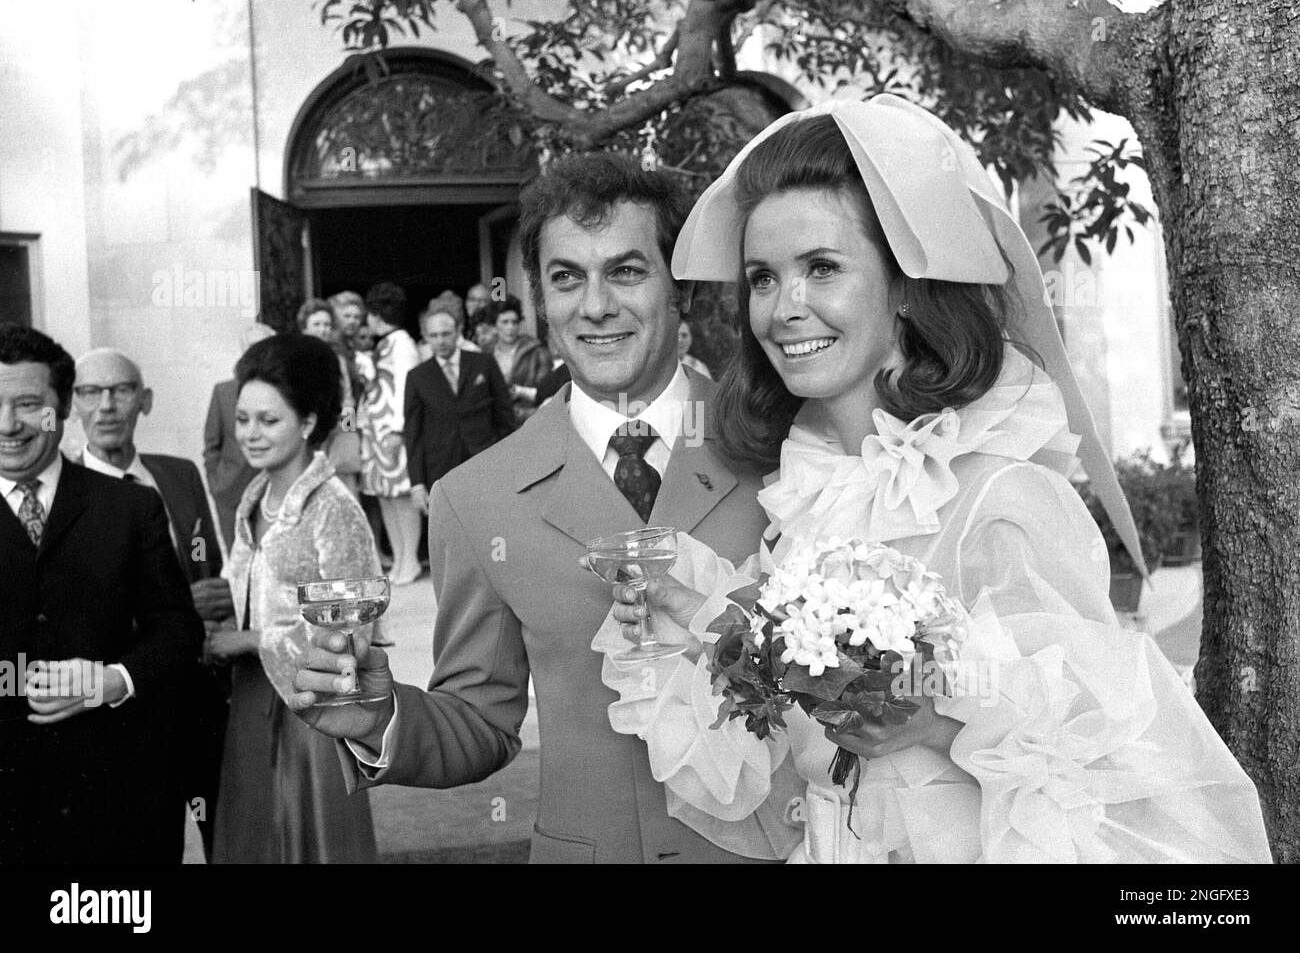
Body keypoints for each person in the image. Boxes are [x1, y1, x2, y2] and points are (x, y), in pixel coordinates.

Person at [595, 96, 1273, 864]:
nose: (785, 308)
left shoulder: (1001, 497)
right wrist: (689, 610)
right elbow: (794, 722)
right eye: (761, 277)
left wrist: (934, 723)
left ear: (910, 285)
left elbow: (1100, 765)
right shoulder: (809, 494)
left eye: (822, 267)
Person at [289, 153, 774, 864]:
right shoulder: (474, 498)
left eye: (627, 271)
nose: (596, 305)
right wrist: (382, 718)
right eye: (566, 277)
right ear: (541, 302)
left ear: (684, 292)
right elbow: (481, 721)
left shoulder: (783, 454)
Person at [0, 323, 202, 864]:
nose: (7, 425)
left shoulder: (130, 507)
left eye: (27, 404)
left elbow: (179, 631)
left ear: (62, 409)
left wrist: (114, 680)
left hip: (117, 801)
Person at [208, 332, 378, 863]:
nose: (250, 435)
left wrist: (254, 638)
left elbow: (353, 628)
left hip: (313, 717)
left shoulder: (334, 507)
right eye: (242, 420)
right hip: (252, 703)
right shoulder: (254, 497)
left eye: (268, 420)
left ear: (307, 423)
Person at [72, 347, 231, 861]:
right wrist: (179, 607)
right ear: (73, 405)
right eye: (90, 393)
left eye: (120, 391)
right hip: (127, 705)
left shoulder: (179, 475)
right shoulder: (62, 493)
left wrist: (224, 596)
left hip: (201, 693)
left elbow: (207, 568)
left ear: (145, 400)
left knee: (224, 830)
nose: (107, 406)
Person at [405, 302, 515, 516]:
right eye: (434, 335)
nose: (441, 341)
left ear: (458, 332)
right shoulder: (417, 376)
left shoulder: (483, 363)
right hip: (441, 469)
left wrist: (507, 462)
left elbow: (505, 416)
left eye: (446, 334)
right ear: (425, 337)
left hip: (486, 462)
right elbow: (413, 434)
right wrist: (417, 483)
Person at [357, 282, 423, 585]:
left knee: (401, 494)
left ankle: (409, 559)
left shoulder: (402, 343)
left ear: (376, 313)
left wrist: (398, 429)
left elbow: (406, 389)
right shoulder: (386, 343)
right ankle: (398, 558)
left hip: (393, 430)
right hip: (376, 430)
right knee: (385, 494)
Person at [204, 323, 274, 551]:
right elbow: (211, 444)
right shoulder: (223, 391)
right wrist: (216, 483)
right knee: (239, 563)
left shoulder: (286, 392)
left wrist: (349, 428)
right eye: (253, 347)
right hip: (231, 490)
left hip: (274, 490)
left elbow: (346, 411)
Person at [297, 300, 362, 496]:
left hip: (335, 434)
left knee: (343, 491)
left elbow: (348, 400)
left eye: (326, 324)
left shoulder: (338, 358)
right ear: (304, 328)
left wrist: (349, 432)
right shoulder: (295, 357)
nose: (323, 329)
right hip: (307, 434)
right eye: (316, 324)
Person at [491, 296, 551, 424]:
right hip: (495, 424)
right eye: (505, 322)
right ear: (495, 325)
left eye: (515, 322)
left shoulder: (536, 351)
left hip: (527, 421)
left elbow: (546, 392)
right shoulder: (487, 353)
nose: (510, 327)